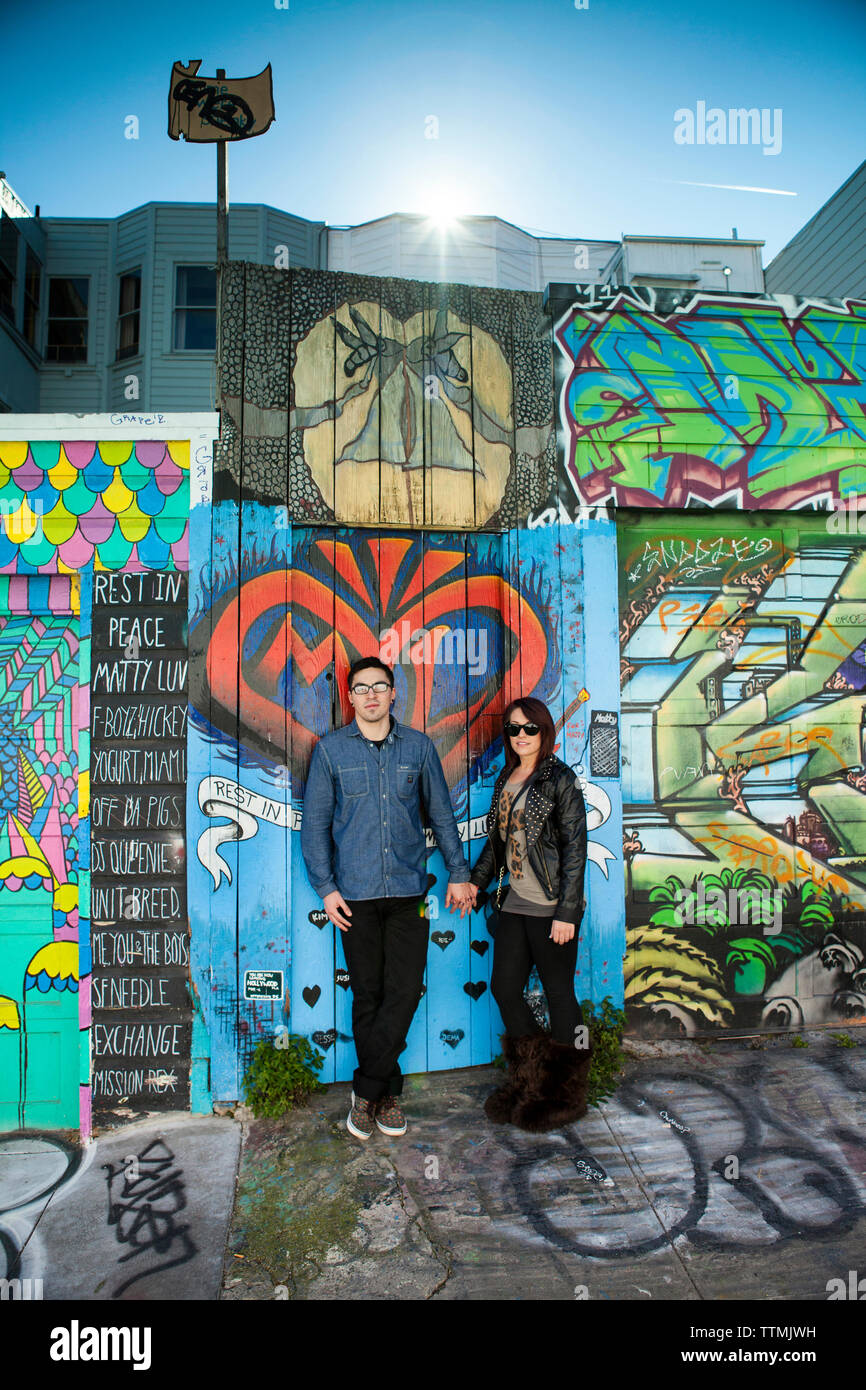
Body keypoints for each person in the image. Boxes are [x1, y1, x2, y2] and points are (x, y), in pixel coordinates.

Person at [302, 656, 473, 1140]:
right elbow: (315, 827)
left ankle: (367, 1091)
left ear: (394, 694)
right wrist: (326, 888)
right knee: (368, 994)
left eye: (381, 686)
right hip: (353, 895)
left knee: (403, 990)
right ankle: (387, 1092)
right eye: (362, 688)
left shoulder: (418, 748)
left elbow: (441, 815)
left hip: (408, 893)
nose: (372, 695)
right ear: (349, 696)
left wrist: (458, 872)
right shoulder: (331, 752)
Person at [468, 696, 591, 1131]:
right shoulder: (507, 776)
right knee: (505, 988)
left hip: (550, 907)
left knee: (559, 994)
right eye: (513, 729)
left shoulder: (560, 779)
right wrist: (474, 882)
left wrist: (567, 913)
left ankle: (565, 1094)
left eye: (529, 728)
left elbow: (576, 850)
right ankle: (531, 1079)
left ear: (544, 731)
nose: (520, 736)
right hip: (513, 905)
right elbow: (496, 845)